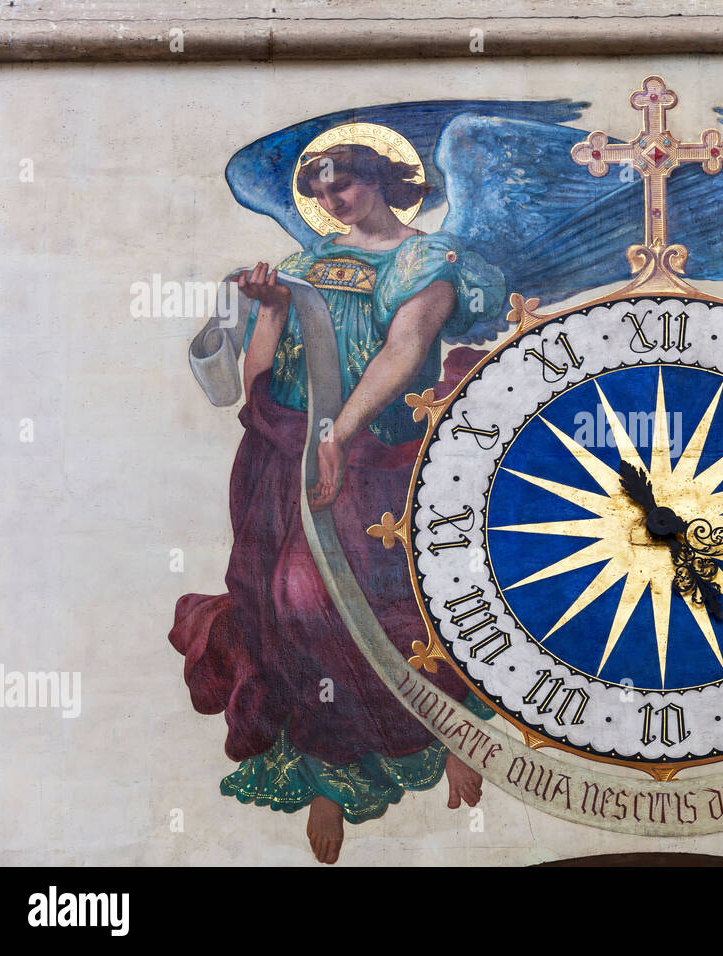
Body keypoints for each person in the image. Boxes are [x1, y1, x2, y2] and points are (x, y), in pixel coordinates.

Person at [169, 142, 506, 864]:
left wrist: (338, 433)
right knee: (271, 604)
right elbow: (260, 373)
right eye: (319, 188)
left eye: (343, 181)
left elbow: (404, 349)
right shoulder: (306, 263)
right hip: (279, 450)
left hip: (372, 452)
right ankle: (327, 772)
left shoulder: (429, 259)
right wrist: (267, 314)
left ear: (383, 179)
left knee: (356, 599)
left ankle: (451, 730)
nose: (331, 198)